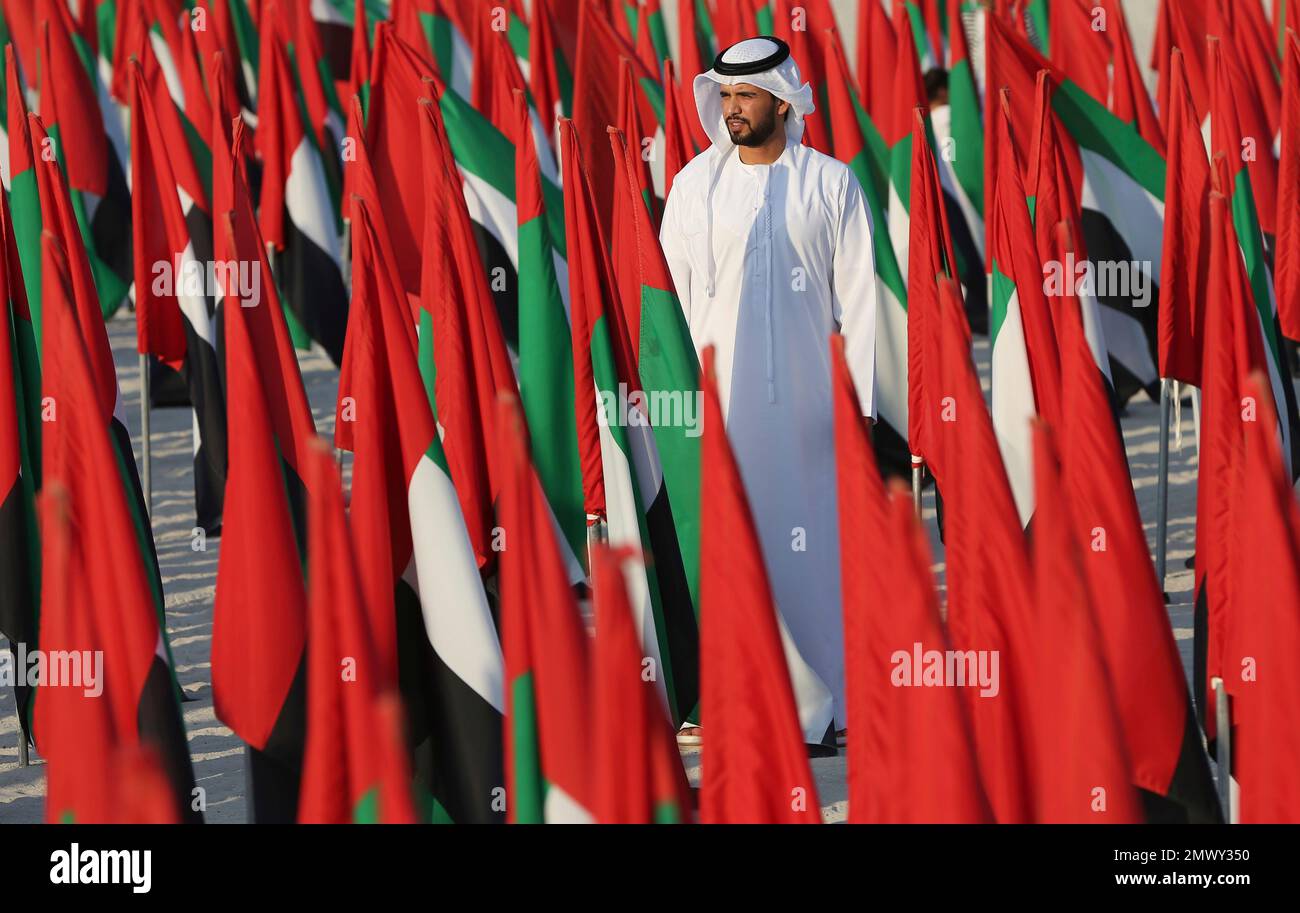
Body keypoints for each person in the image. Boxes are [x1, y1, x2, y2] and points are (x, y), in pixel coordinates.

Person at [660, 36, 878, 751]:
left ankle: (818, 707)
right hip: (718, 410)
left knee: (807, 557)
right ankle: (730, 695)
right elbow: (673, 305)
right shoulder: (695, 186)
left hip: (809, 412)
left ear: (782, 101)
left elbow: (861, 306)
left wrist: (859, 416)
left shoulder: (831, 183)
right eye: (724, 97)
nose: (732, 110)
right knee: (724, 549)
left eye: (745, 97)